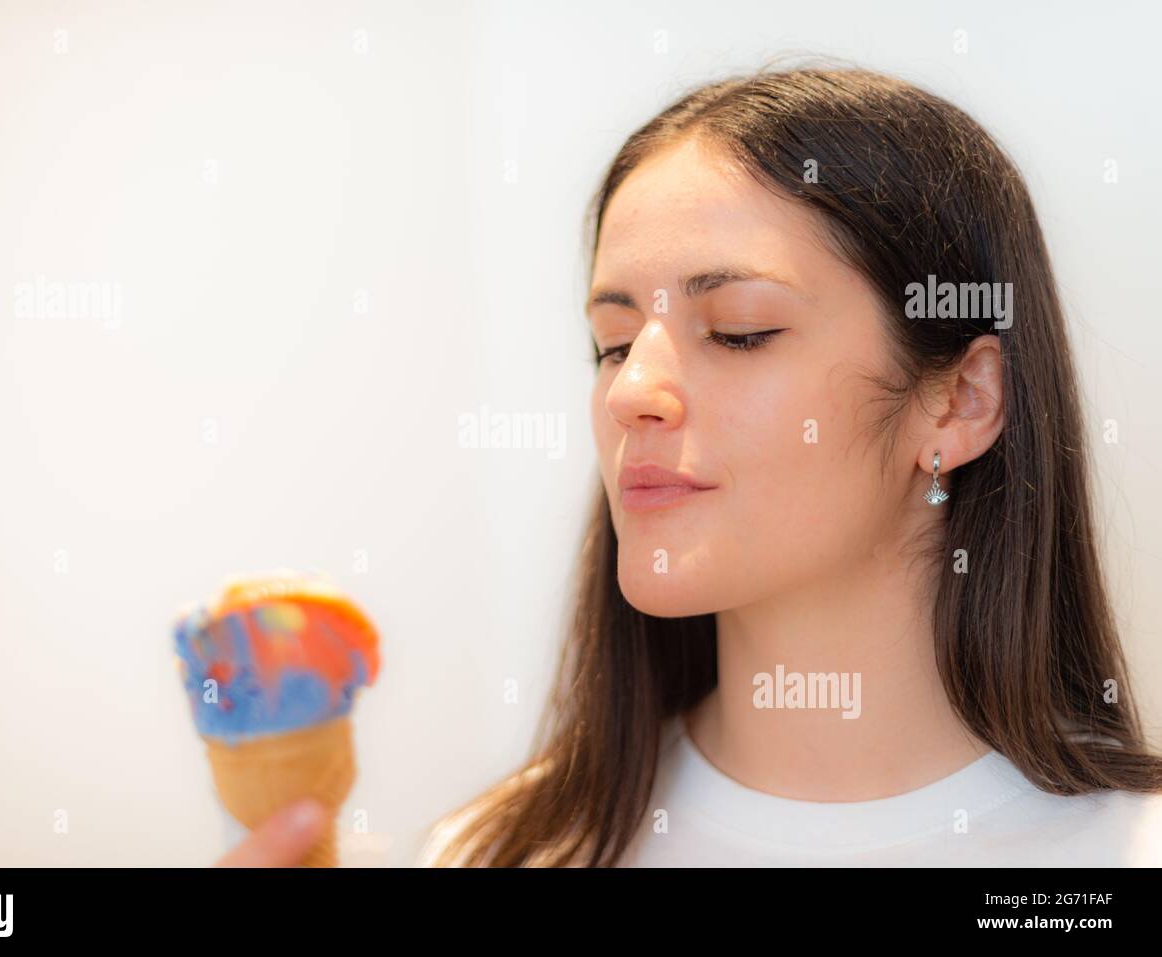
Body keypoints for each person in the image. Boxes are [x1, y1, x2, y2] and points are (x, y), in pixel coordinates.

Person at [223, 64, 1162, 868]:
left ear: (960, 400)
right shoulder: (500, 850)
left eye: (740, 332)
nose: (634, 390)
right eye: (612, 342)